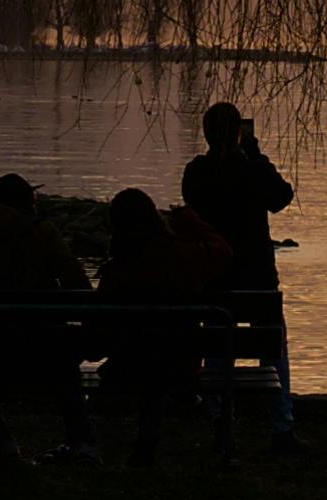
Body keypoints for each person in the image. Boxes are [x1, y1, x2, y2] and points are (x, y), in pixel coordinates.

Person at [179, 98, 297, 446]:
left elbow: (191, 203)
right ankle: (282, 425)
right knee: (273, 349)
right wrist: (255, 156)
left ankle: (218, 418)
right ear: (238, 135)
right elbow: (281, 197)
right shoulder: (253, 169)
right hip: (258, 278)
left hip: (215, 278)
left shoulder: (196, 172)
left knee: (216, 348)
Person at [0, 171, 97, 454]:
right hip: (41, 342)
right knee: (64, 358)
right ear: (24, 204)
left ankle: (1, 439)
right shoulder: (41, 232)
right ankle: (81, 441)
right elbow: (77, 283)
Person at [93, 183, 234, 462]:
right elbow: (223, 252)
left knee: (146, 360)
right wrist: (189, 220)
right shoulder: (183, 257)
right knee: (159, 361)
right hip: (181, 364)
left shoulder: (117, 269)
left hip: (128, 365)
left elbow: (97, 332)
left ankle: (131, 441)